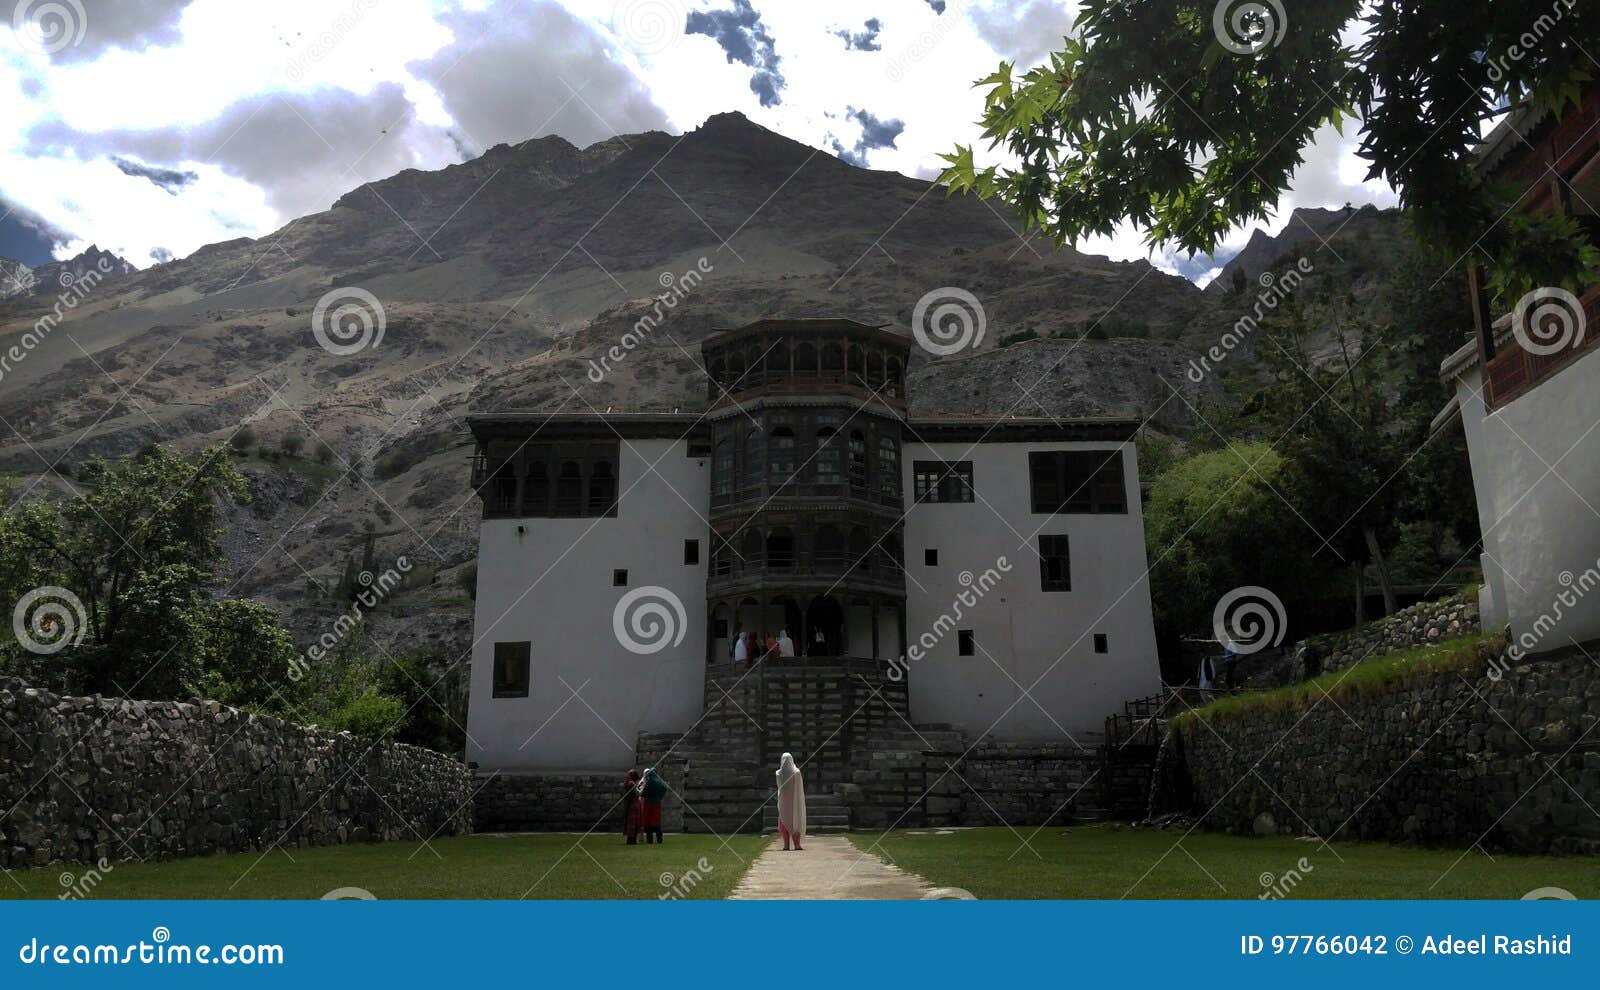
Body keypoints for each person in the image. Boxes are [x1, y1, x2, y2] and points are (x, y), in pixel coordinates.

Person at [775, 752, 806, 851]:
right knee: (795, 821)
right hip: (794, 802)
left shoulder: (778, 773)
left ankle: (786, 845)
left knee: (784, 821)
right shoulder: (796, 772)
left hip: (784, 803)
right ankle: (797, 844)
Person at [639, 767, 668, 844]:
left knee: (648, 822)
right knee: (656, 822)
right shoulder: (659, 781)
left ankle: (650, 840)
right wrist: (660, 796)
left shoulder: (650, 781)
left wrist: (641, 793)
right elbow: (665, 788)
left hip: (648, 803)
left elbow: (643, 793)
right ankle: (659, 839)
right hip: (657, 803)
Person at [621, 769, 641, 844]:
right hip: (634, 804)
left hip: (629, 804)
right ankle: (632, 840)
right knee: (634, 822)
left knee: (630, 822)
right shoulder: (631, 784)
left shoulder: (627, 783)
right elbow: (638, 793)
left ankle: (630, 839)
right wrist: (642, 788)